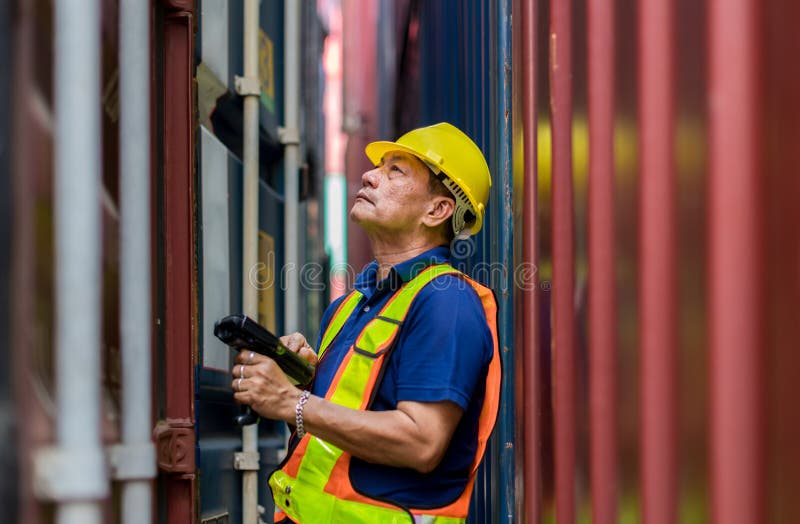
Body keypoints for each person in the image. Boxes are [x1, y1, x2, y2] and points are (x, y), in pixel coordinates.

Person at [232, 122, 501, 523]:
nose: (369, 175)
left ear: (437, 210)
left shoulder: (447, 302)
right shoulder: (349, 307)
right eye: (378, 166)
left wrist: (292, 402)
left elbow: (422, 442)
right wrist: (301, 381)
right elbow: (340, 425)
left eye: (396, 171)